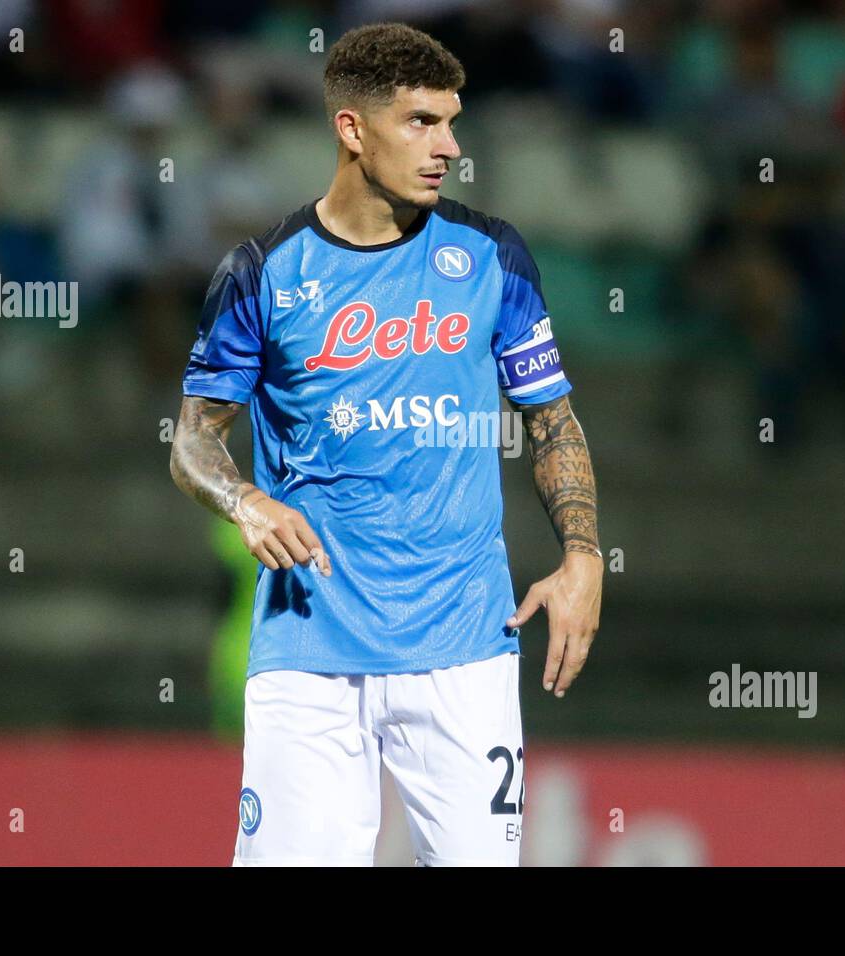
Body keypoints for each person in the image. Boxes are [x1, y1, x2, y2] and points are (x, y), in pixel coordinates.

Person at [169, 22, 603, 866]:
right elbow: (192, 441)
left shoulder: (492, 257)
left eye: (451, 120)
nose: (449, 145)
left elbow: (551, 418)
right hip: (309, 654)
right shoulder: (263, 273)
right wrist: (242, 497)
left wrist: (582, 553)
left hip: (464, 649)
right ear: (352, 129)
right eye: (421, 122)